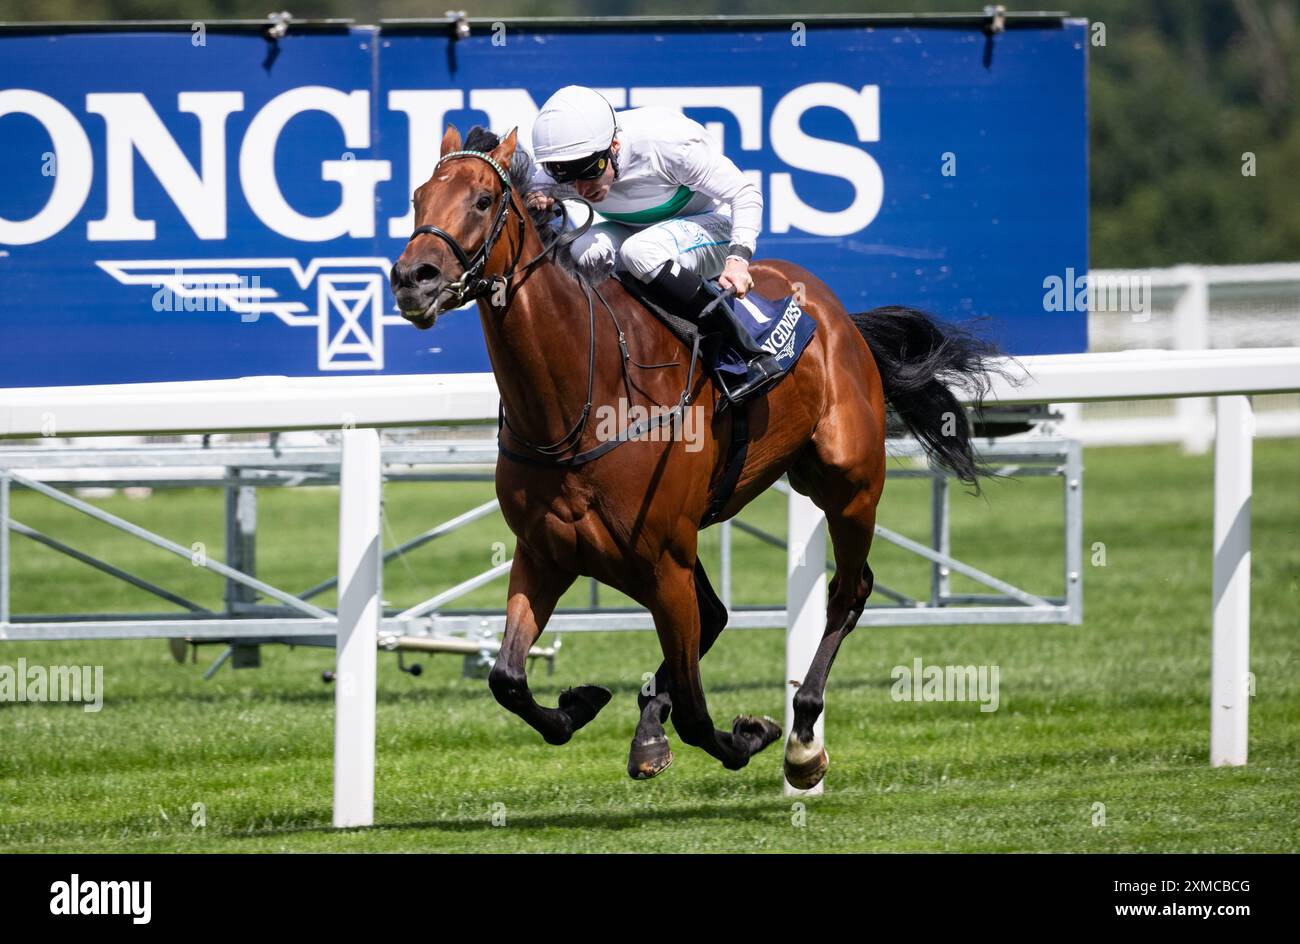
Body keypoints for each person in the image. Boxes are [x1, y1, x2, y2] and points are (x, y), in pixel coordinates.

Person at [525, 85, 779, 400]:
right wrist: (539, 200)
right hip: (641, 234)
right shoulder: (565, 168)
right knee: (579, 252)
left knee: (640, 252)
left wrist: (738, 260)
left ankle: (744, 351)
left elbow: (744, 193)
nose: (581, 187)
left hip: (713, 227)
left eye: (591, 171)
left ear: (614, 145)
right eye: (567, 177)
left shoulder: (669, 145)